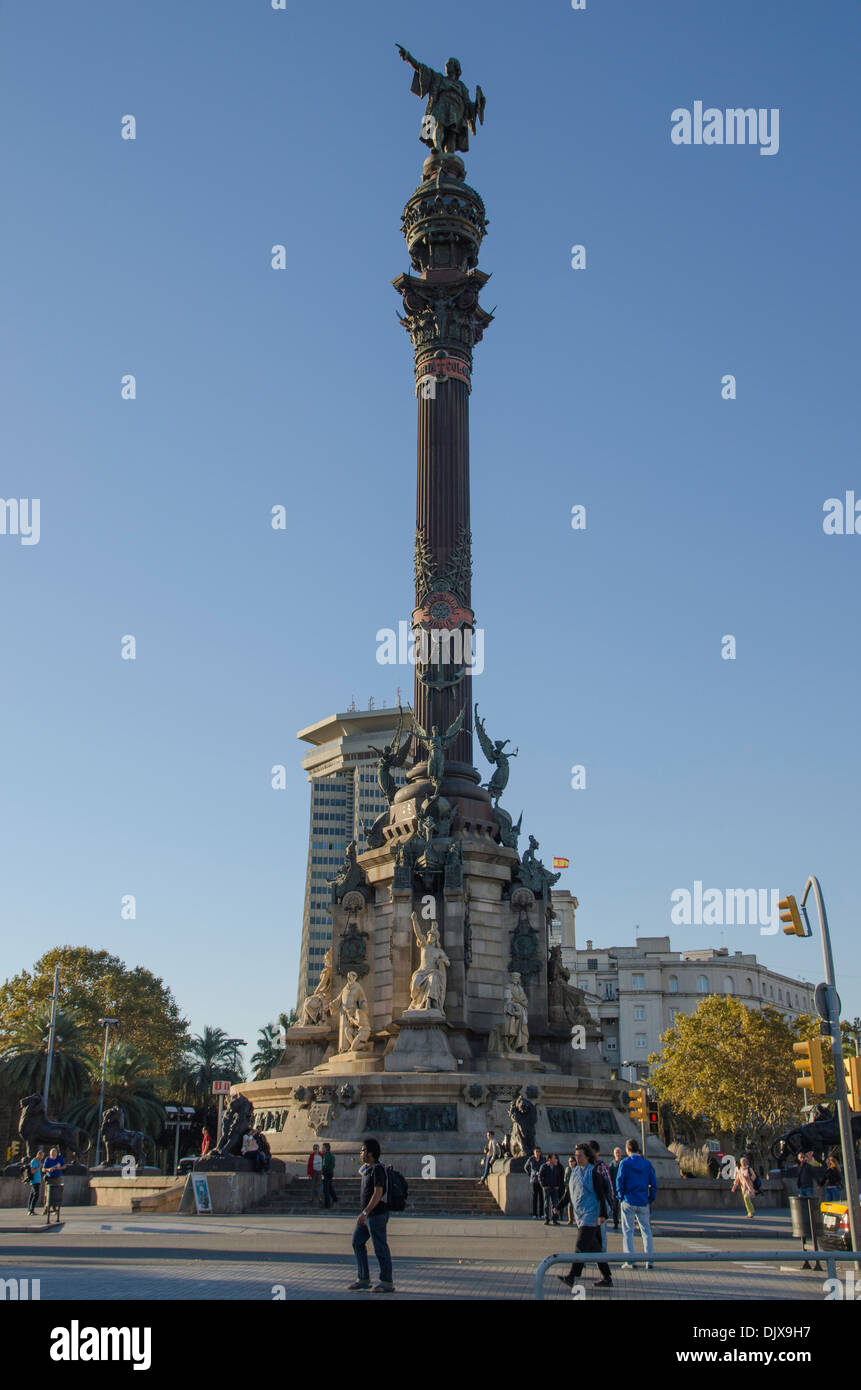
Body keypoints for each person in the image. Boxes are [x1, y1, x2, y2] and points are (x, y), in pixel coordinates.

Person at [556, 1143, 614, 1290]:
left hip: (591, 1215)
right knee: (594, 1248)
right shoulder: (574, 1172)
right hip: (580, 1215)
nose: (577, 1157)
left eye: (580, 1155)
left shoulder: (593, 1172)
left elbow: (600, 1194)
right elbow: (569, 1193)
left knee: (580, 1246)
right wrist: (558, 1207)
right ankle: (607, 1277)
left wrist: (602, 1214)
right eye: (576, 1155)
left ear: (587, 1156)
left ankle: (572, 1276)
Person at [349, 1138, 394, 1292]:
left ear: (370, 1153)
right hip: (367, 1215)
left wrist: (365, 1212)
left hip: (376, 1214)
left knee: (380, 1247)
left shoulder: (378, 1169)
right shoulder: (367, 1168)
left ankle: (387, 1282)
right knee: (357, 1242)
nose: (360, 1153)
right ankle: (363, 1278)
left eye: (363, 1150)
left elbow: (378, 1193)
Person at [616, 1138, 657, 1269]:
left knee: (628, 1231)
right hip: (643, 1200)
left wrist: (620, 1196)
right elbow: (653, 1183)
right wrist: (650, 1198)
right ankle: (649, 1260)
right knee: (646, 1230)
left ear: (627, 1149)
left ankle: (630, 1260)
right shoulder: (646, 1163)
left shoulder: (624, 1163)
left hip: (629, 1200)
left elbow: (619, 1181)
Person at [589, 1141, 613, 1251]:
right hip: (590, 1204)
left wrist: (610, 1202)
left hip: (599, 1204)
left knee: (600, 1231)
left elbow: (609, 1185)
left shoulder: (600, 1166)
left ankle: (601, 1255)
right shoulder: (585, 1167)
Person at [538, 1152, 564, 1225]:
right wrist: (543, 1185)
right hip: (547, 1188)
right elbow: (540, 1177)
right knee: (547, 1204)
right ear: (549, 1159)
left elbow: (560, 1177)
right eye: (553, 1158)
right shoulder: (544, 1166)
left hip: (554, 1188)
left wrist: (558, 1185)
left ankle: (555, 1219)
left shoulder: (557, 1166)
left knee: (555, 1204)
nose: (555, 1159)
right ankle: (547, 1219)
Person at [42, 1147, 66, 1214]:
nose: (53, 1156)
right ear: (50, 1154)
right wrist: (48, 1169)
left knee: (56, 1193)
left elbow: (64, 1166)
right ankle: (46, 1208)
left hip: (57, 1178)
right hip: (49, 1178)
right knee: (47, 1193)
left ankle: (54, 1208)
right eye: (52, 1154)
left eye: (54, 1154)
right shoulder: (48, 1159)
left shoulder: (59, 1158)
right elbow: (43, 1169)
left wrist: (58, 1168)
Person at [524, 1146, 544, 1219]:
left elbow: (544, 1167)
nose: (538, 1153)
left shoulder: (543, 1159)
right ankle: (534, 1213)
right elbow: (526, 1167)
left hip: (541, 1180)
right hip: (534, 1180)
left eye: (539, 1152)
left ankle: (541, 1214)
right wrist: (530, 1174)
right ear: (534, 1152)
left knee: (541, 1197)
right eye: (536, 1152)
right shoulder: (531, 1159)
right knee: (535, 1197)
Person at [608, 1146, 624, 1230]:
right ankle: (615, 1223)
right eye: (616, 1153)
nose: (618, 1154)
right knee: (615, 1207)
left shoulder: (624, 1163)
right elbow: (609, 1177)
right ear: (614, 1154)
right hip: (615, 1189)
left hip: (623, 1189)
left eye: (619, 1152)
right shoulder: (612, 1164)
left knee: (625, 1207)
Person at [26, 1149, 45, 1216]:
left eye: (43, 1156)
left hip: (37, 1180)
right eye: (41, 1156)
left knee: (32, 1195)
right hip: (34, 1180)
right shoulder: (34, 1161)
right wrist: (39, 1167)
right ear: (38, 1155)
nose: (42, 1157)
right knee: (36, 1194)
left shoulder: (38, 1162)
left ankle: (30, 1209)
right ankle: (31, 1210)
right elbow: (32, 1171)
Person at [322, 1141, 338, 1208]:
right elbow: (333, 1165)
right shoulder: (332, 1156)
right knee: (330, 1187)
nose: (322, 1149)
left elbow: (324, 1165)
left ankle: (327, 1204)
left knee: (326, 1189)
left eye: (323, 1148)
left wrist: (322, 1171)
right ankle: (335, 1199)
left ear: (326, 1148)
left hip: (326, 1173)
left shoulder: (326, 1156)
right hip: (331, 1172)